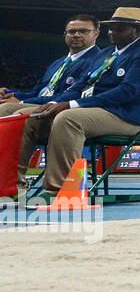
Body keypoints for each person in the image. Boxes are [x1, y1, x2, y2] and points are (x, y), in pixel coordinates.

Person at [16, 7, 140, 201]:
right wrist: (54, 102)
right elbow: (80, 87)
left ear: (138, 30)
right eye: (111, 28)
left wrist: (72, 105)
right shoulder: (106, 54)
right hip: (97, 110)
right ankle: (14, 185)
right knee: (30, 117)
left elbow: (127, 92)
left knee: (68, 119)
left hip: (127, 116)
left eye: (120, 28)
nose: (113, 33)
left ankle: (59, 191)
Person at [1, 13, 107, 187]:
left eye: (83, 31)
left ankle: (12, 183)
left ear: (96, 34)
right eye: (72, 31)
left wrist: (18, 103)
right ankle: (7, 180)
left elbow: (71, 94)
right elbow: (38, 91)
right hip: (44, 107)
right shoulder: (58, 63)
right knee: (4, 109)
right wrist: (11, 94)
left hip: (64, 111)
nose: (76, 35)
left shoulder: (98, 60)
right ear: (65, 34)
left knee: (11, 113)